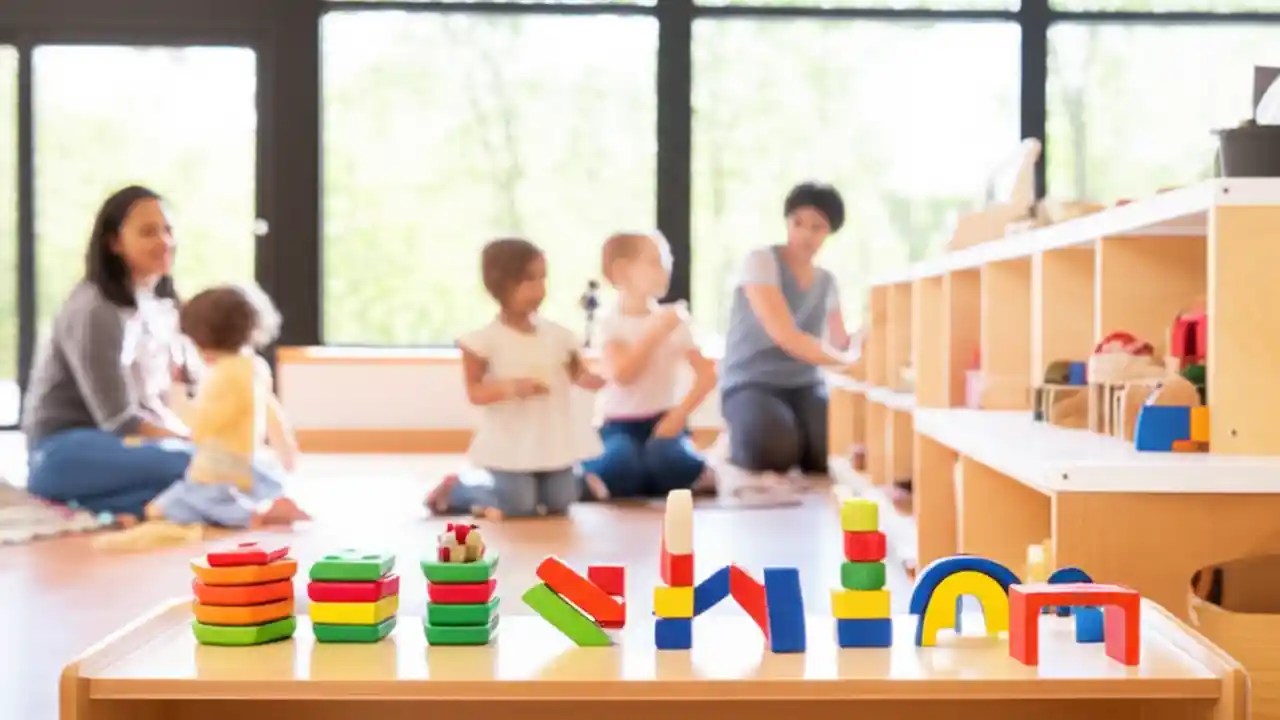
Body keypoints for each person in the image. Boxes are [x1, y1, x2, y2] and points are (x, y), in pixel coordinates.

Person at [22, 186, 288, 521]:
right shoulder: (95, 311)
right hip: (64, 453)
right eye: (148, 232)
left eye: (168, 230)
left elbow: (175, 395)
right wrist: (198, 444)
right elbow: (119, 421)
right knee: (202, 464)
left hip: (126, 451)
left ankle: (149, 505)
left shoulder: (157, 306)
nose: (164, 241)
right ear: (114, 243)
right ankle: (240, 506)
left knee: (229, 466)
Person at [425, 238, 605, 519]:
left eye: (542, 279)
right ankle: (459, 489)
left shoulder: (558, 336)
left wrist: (594, 380)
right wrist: (512, 388)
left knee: (561, 500)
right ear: (501, 285)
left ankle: (574, 481)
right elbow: (475, 392)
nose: (539, 289)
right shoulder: (484, 341)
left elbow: (576, 373)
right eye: (528, 280)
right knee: (519, 504)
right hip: (510, 443)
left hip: (551, 437)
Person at [719, 182, 862, 477]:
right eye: (798, 223)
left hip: (804, 384)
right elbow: (786, 336)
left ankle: (790, 431)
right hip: (751, 381)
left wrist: (867, 341)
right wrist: (846, 361)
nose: (806, 234)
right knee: (774, 451)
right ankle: (734, 441)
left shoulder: (827, 281)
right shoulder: (761, 261)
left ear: (829, 232)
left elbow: (841, 342)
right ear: (787, 222)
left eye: (817, 226)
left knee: (828, 452)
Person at [145, 284, 308, 527]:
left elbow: (201, 428)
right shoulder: (253, 366)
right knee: (196, 501)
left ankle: (259, 515)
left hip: (214, 473)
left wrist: (176, 394)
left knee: (165, 510)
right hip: (246, 465)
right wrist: (285, 448)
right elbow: (272, 411)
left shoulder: (222, 376)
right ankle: (261, 505)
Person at [581, 231, 717, 499]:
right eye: (654, 262)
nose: (664, 270)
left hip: (663, 420)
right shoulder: (610, 322)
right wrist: (653, 334)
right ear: (621, 271)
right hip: (618, 425)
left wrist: (678, 415)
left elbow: (707, 375)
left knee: (665, 456)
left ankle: (677, 474)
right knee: (622, 460)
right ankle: (599, 475)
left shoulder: (675, 321)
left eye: (666, 262)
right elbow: (623, 375)